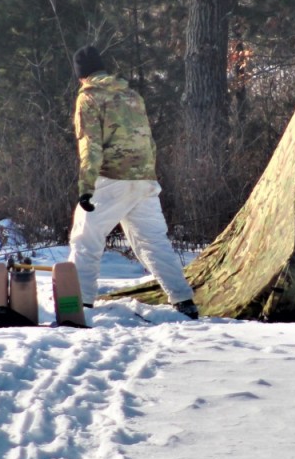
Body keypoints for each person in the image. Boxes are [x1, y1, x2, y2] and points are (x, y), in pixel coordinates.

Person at [67, 45, 198, 318]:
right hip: (144, 180)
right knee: (153, 242)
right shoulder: (132, 95)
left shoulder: (88, 97)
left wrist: (86, 188)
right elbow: (148, 140)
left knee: (85, 239)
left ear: (81, 75)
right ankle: (184, 300)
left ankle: (77, 305)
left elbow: (90, 145)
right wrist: (147, 174)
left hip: (111, 179)